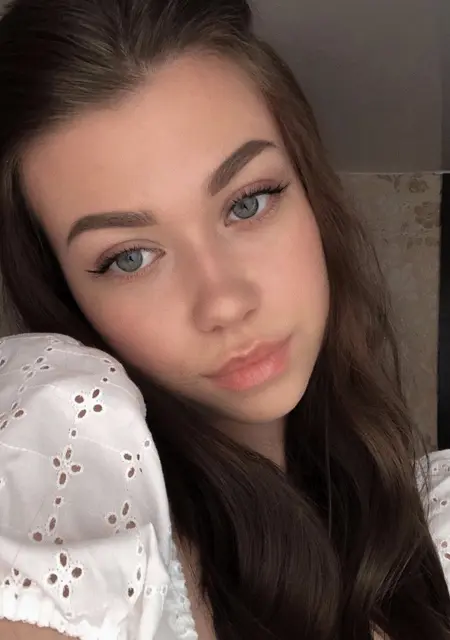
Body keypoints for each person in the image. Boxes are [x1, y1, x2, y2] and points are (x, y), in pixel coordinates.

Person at [0, 0, 449, 638]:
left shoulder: (430, 522)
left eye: (248, 203)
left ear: (310, 193)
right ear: (65, 295)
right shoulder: (65, 454)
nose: (224, 303)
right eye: (129, 258)